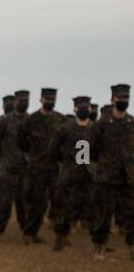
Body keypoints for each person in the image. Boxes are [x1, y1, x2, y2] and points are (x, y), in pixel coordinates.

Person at [88, 83, 133, 260]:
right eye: (121, 98)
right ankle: (99, 247)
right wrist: (89, 167)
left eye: (126, 98)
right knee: (103, 214)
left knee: (131, 213)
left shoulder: (132, 123)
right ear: (113, 100)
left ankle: (132, 247)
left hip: (128, 178)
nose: (124, 101)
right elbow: (84, 146)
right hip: (106, 177)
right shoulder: (102, 123)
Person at [47, 95, 95, 251]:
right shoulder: (65, 128)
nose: (83, 109)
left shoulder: (95, 129)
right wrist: (65, 162)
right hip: (70, 174)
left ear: (90, 109)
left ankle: (98, 241)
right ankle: (61, 237)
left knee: (92, 206)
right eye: (80, 106)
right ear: (75, 109)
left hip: (89, 174)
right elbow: (52, 150)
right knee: (67, 207)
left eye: (86, 107)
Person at [19, 87, 65, 243]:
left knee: (59, 201)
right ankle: (29, 233)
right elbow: (21, 141)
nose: (50, 103)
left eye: (53, 100)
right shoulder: (31, 120)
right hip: (37, 168)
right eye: (48, 100)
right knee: (37, 203)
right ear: (41, 100)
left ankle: (61, 235)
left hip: (54, 168)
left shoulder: (61, 120)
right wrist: (32, 156)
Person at [0, 89, 31, 242]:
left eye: (26, 100)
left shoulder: (32, 121)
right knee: (3, 203)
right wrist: (5, 153)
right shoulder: (4, 122)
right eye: (21, 101)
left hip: (25, 169)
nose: (23, 103)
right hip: (8, 168)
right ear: (15, 102)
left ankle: (27, 233)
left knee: (24, 202)